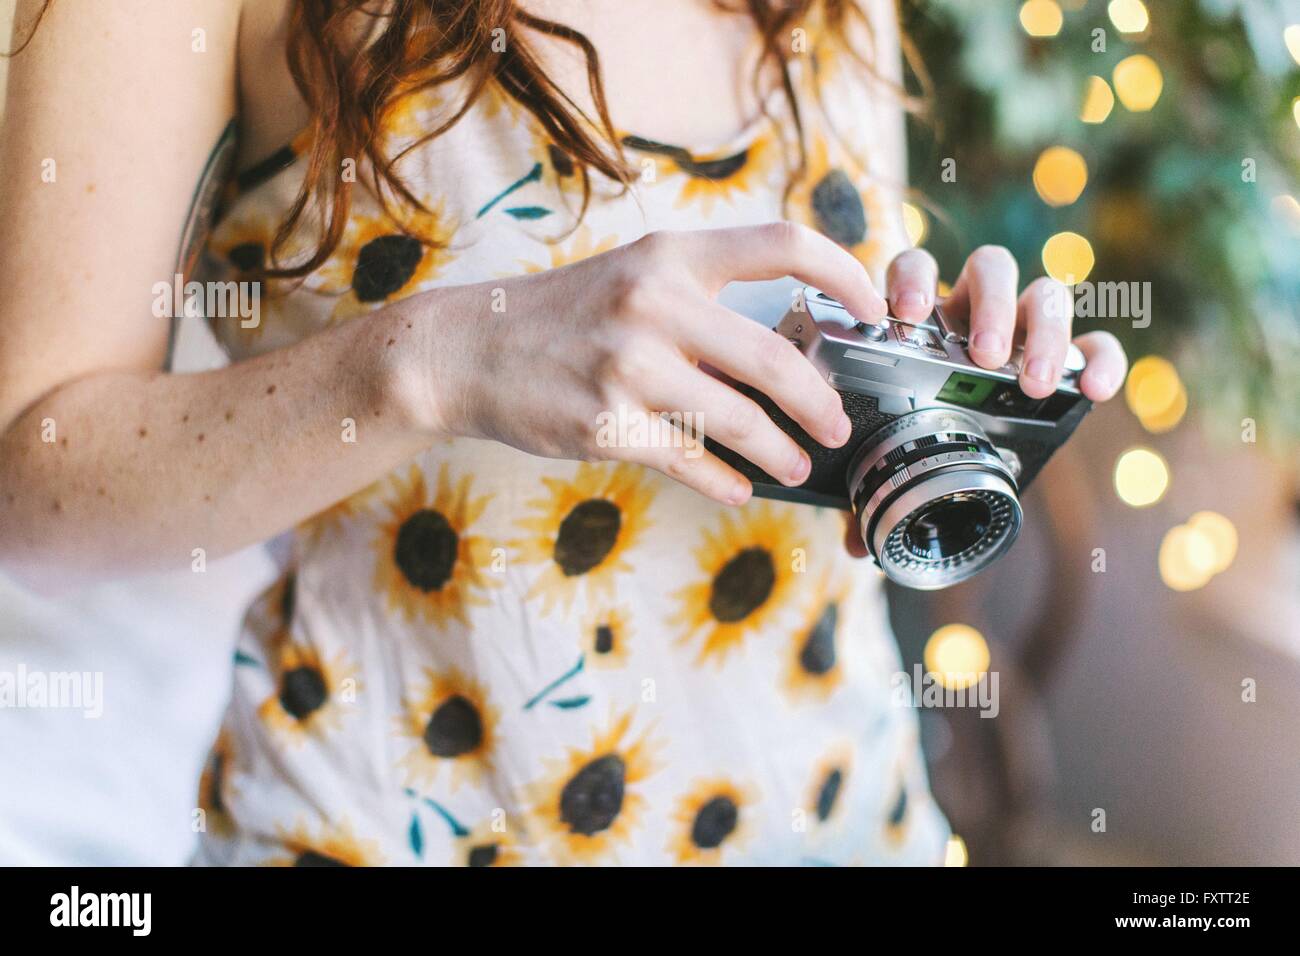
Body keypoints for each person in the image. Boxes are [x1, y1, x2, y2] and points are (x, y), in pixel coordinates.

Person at [0, 0, 1126, 865]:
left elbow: (820, 357)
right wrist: (442, 362)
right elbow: (28, 492)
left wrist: (928, 384)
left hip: (843, 813)